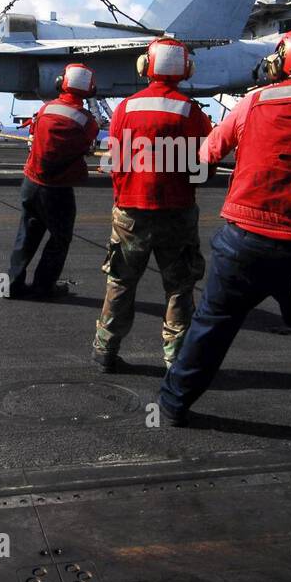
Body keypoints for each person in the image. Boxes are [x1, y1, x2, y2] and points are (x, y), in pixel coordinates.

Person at [159, 30, 291, 445]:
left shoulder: (252, 103)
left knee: (211, 325)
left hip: (243, 244)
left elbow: (208, 153)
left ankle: (173, 405)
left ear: (279, 63)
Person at [93, 40, 213, 372]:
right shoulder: (192, 112)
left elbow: (115, 163)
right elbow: (203, 168)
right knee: (179, 286)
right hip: (177, 212)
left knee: (120, 281)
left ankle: (105, 350)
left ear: (145, 66)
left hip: (130, 211)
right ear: (186, 69)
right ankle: (176, 358)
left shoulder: (126, 108)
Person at [4, 64, 99, 301]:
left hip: (30, 183)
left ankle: (10, 285)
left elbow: (35, 133)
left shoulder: (46, 109)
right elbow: (87, 141)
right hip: (57, 191)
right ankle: (43, 288)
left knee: (25, 235)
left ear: (60, 82)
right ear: (89, 90)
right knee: (59, 239)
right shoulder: (86, 120)